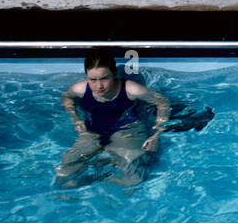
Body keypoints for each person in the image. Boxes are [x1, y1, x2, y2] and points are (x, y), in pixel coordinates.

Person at [56, 49, 171, 188]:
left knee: (132, 180)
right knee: (66, 169)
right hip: (92, 131)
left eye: (104, 78)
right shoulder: (79, 89)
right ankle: (98, 174)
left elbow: (162, 102)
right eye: (92, 79)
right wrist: (75, 118)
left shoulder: (131, 89)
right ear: (86, 76)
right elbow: (67, 97)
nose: (99, 85)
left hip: (127, 130)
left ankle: (107, 168)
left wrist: (157, 133)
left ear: (114, 74)